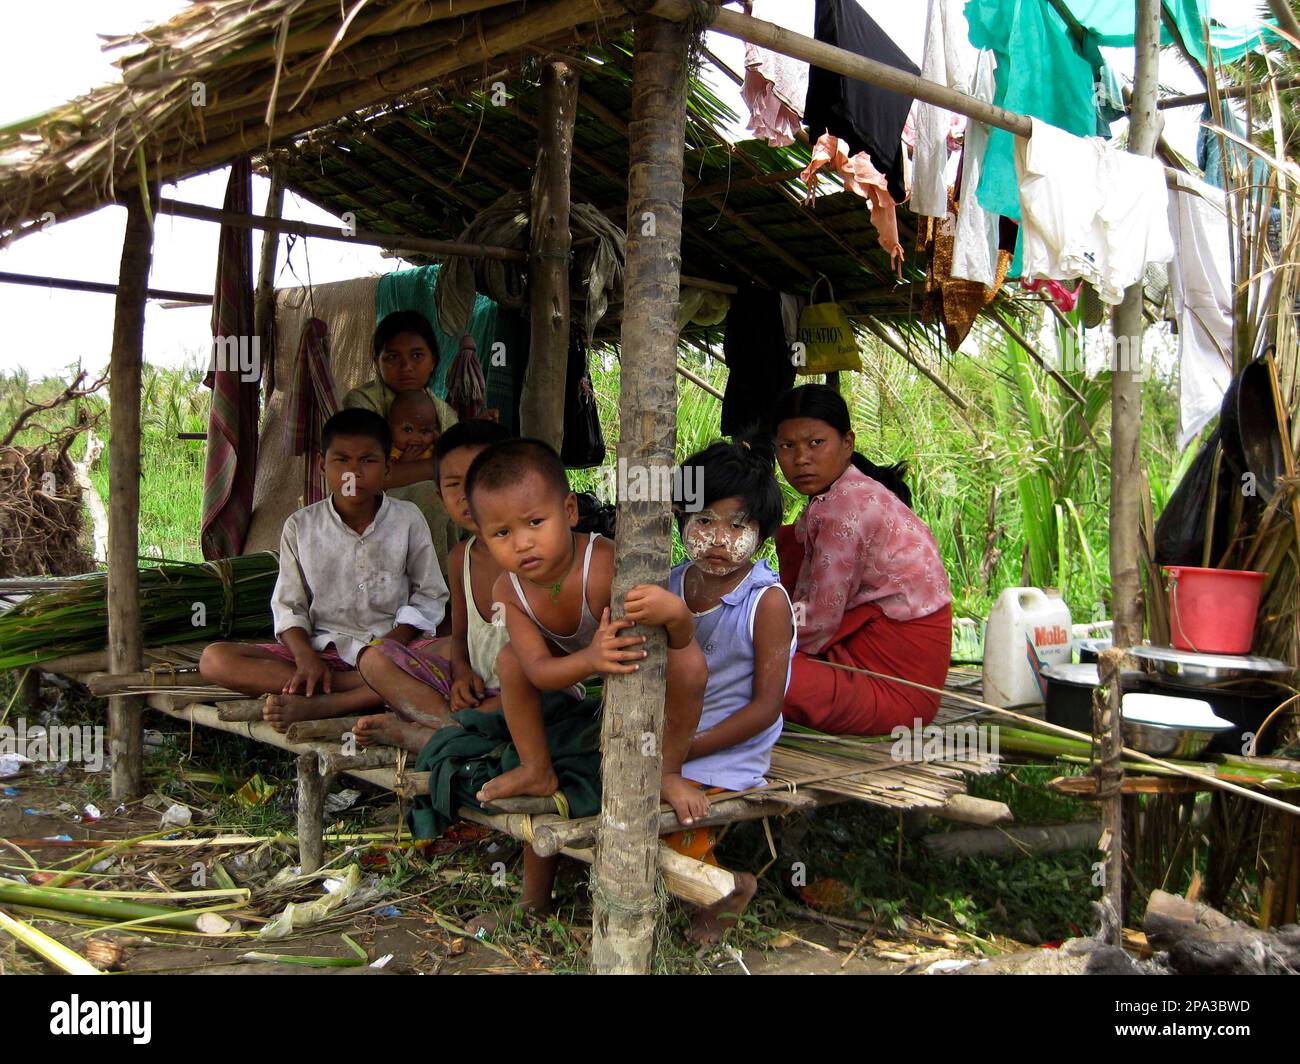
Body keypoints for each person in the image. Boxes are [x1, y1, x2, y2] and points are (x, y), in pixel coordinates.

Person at [198, 408, 448, 731]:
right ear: (321, 465)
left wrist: (387, 647)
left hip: (395, 651)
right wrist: (305, 658)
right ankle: (360, 688)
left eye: (368, 461)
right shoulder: (300, 526)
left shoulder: (408, 518)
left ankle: (331, 699)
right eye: (341, 460)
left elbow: (429, 594)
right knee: (214, 660)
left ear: (388, 468)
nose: (352, 473)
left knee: (456, 651)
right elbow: (289, 605)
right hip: (325, 653)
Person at [667, 436, 795, 944]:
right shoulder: (671, 583)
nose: (719, 540)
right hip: (671, 738)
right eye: (704, 522)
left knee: (673, 823)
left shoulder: (765, 603)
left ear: (761, 536)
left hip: (727, 746)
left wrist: (683, 752)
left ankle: (727, 888)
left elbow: (767, 707)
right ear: (681, 522)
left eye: (737, 527)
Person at [771, 383, 952, 735]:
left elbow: (818, 622)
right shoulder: (839, 497)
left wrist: (748, 636)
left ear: (848, 444)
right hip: (862, 662)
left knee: (750, 675)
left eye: (815, 443)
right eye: (786, 446)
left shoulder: (845, 510)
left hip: (895, 690)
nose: (801, 458)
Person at [353, 418, 513, 753]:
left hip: (527, 694)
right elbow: (460, 636)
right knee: (372, 659)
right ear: (440, 497)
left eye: (482, 478)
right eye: (455, 484)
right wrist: (462, 673)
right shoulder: (460, 558)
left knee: (525, 707)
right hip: (478, 691)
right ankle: (453, 730)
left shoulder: (530, 553)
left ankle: (435, 735)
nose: (469, 494)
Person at [342, 311, 461, 575]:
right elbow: (364, 478)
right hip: (368, 504)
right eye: (393, 357)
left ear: (433, 361)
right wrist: (438, 466)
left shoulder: (445, 414)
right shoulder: (361, 404)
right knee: (430, 498)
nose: (406, 366)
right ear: (377, 362)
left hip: (434, 497)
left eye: (417, 356)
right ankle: (435, 596)